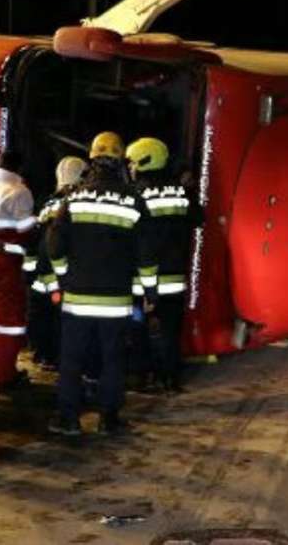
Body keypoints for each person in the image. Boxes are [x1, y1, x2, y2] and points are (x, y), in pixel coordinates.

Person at [46, 132, 158, 436]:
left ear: (92, 162)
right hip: (115, 302)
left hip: (76, 299)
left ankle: (68, 418)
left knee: (71, 360)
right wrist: (150, 292)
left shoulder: (73, 197)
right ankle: (109, 419)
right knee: (113, 360)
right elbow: (146, 254)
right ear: (120, 163)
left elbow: (54, 245)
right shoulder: (133, 200)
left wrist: (64, 276)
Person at [126, 137, 202, 394]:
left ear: (145, 161)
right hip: (175, 278)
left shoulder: (136, 193)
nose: (131, 167)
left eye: (133, 162)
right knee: (170, 331)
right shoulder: (180, 192)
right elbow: (198, 217)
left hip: (141, 280)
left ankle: (140, 375)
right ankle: (169, 379)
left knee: (137, 329)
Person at [0, 152, 35, 391]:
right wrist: (38, 220)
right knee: (9, 319)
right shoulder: (19, 190)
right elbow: (24, 229)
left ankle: (3, 370)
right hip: (7, 261)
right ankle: (6, 374)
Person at [30, 156, 87, 369]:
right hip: (64, 274)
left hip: (44, 275)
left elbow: (35, 240)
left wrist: (31, 273)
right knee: (61, 319)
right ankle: (59, 357)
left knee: (45, 315)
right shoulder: (76, 201)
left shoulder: (48, 202)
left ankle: (44, 354)